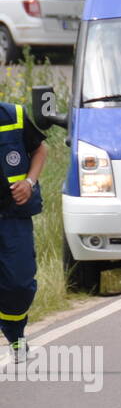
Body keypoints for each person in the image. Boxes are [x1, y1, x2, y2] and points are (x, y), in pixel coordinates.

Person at [0, 101, 49, 363]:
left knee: (19, 284)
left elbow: (41, 149)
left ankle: (15, 335)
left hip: (12, 218)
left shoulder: (12, 115)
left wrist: (29, 182)